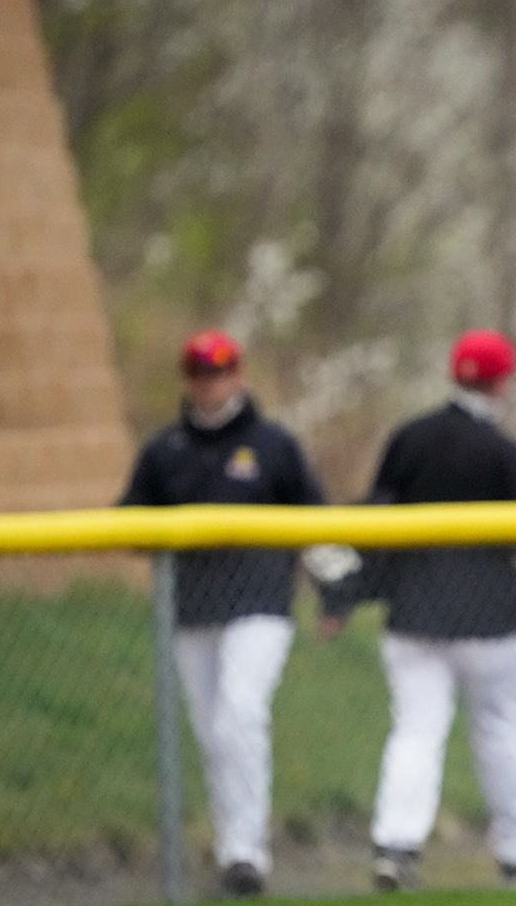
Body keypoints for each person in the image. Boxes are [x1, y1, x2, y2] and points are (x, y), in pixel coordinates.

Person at [319, 329, 516, 891]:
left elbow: (373, 521)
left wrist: (345, 596)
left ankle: (396, 848)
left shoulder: (410, 438)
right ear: (503, 382)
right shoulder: (502, 450)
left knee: (415, 732)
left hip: (414, 617)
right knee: (500, 733)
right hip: (489, 624)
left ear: (454, 374)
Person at [119, 330, 328, 898]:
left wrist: (335, 592)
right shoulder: (166, 450)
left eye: (220, 372)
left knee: (240, 713)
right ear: (187, 380)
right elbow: (130, 517)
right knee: (213, 733)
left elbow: (318, 520)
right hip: (192, 609)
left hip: (260, 604)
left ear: (238, 375)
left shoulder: (272, 445)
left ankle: (246, 851)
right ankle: (234, 844)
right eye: (199, 374)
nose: (210, 384)